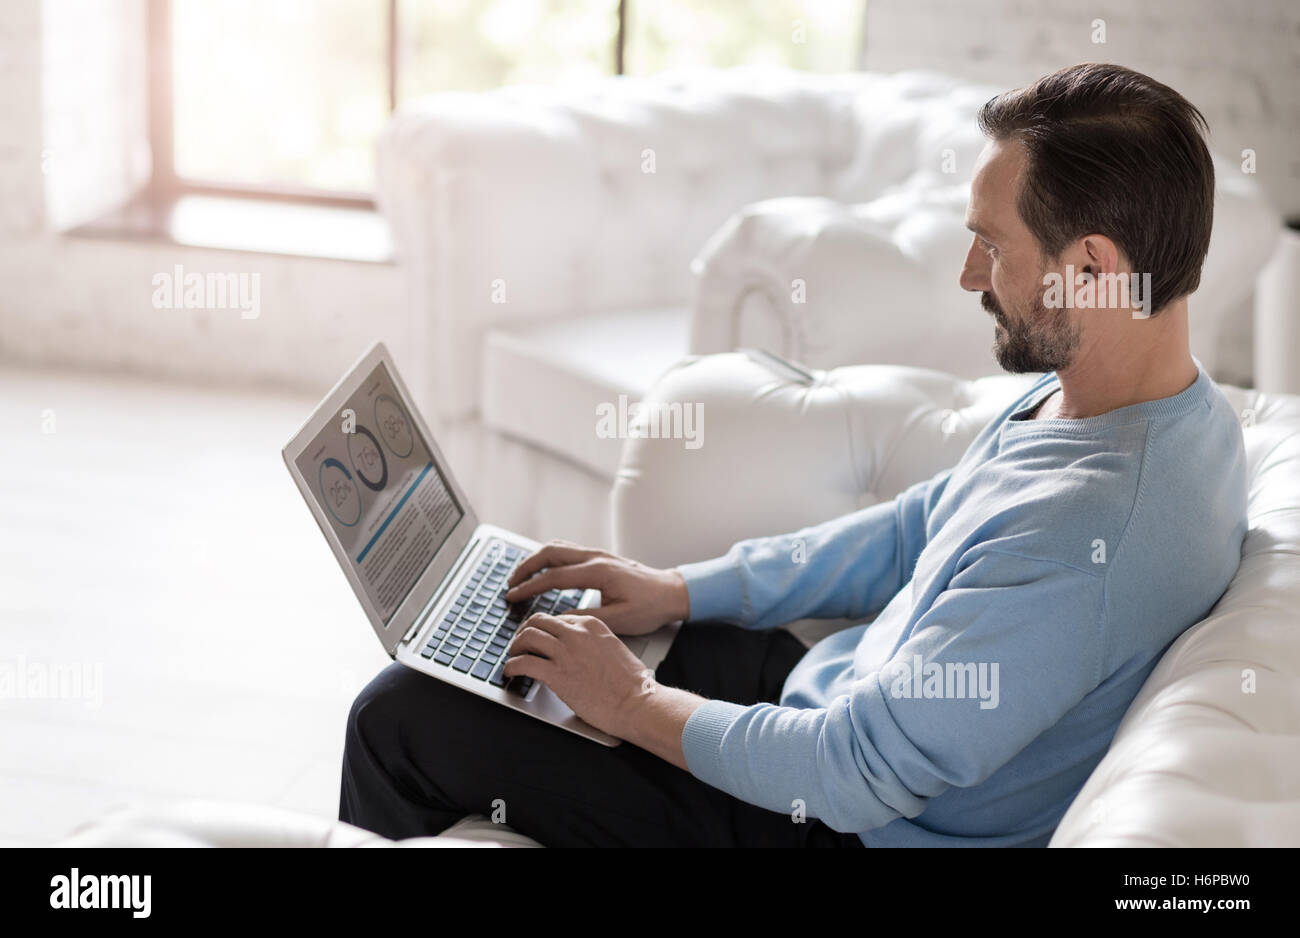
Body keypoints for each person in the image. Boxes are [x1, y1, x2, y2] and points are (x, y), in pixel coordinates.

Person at [339, 63, 1248, 847]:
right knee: (572, 630)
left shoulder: (1088, 543)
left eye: (992, 243)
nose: (971, 274)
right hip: (830, 705)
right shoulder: (1143, 401)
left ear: (1089, 266)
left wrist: (629, 705)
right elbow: (919, 531)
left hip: (837, 821)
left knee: (398, 716)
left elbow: (854, 771)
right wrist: (677, 589)